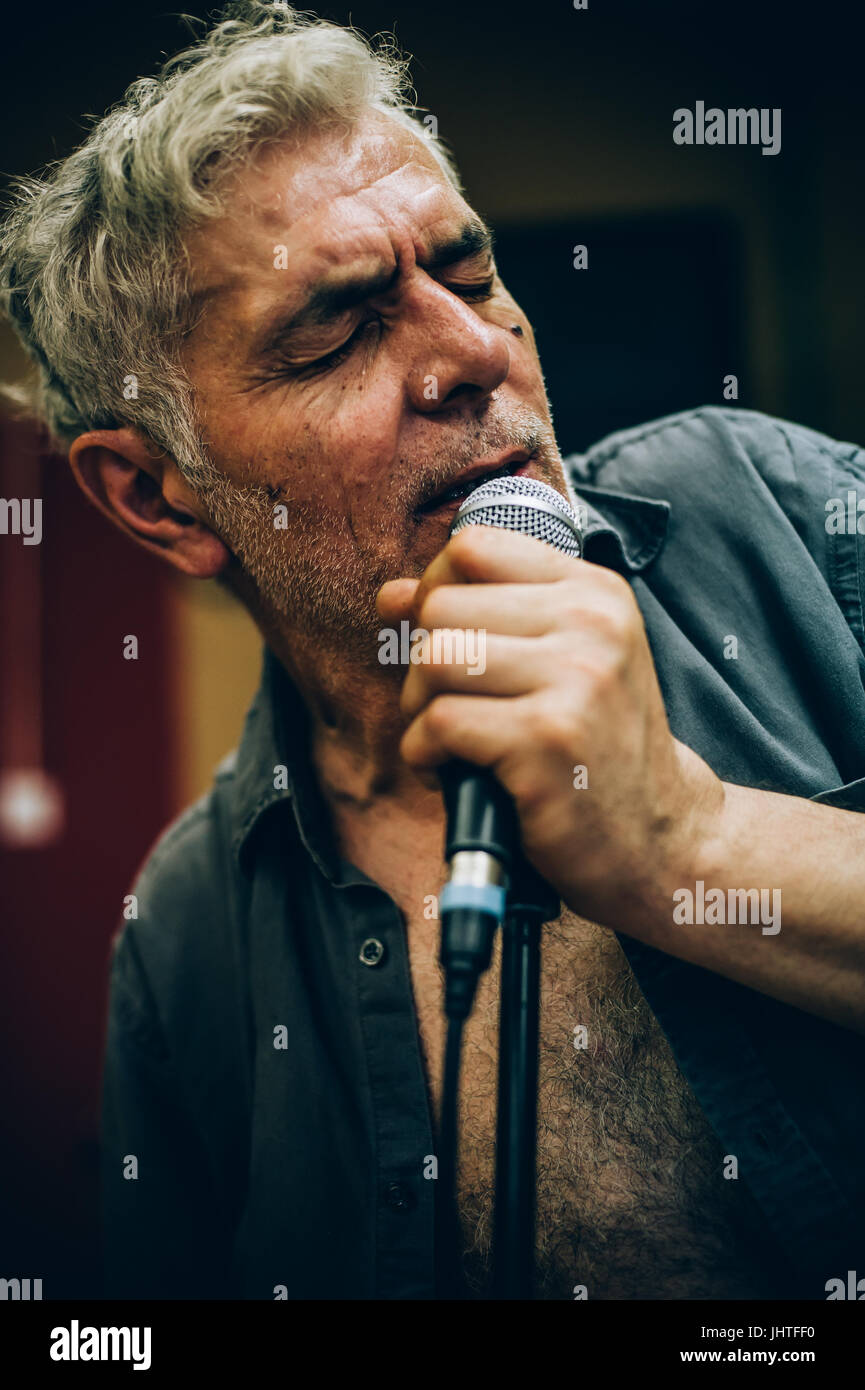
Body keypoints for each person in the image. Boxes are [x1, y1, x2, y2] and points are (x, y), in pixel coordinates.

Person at [2, 2, 863, 1301]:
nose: (477, 351)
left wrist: (689, 844)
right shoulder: (184, 938)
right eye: (337, 331)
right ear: (158, 498)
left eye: (468, 275)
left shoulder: (786, 513)